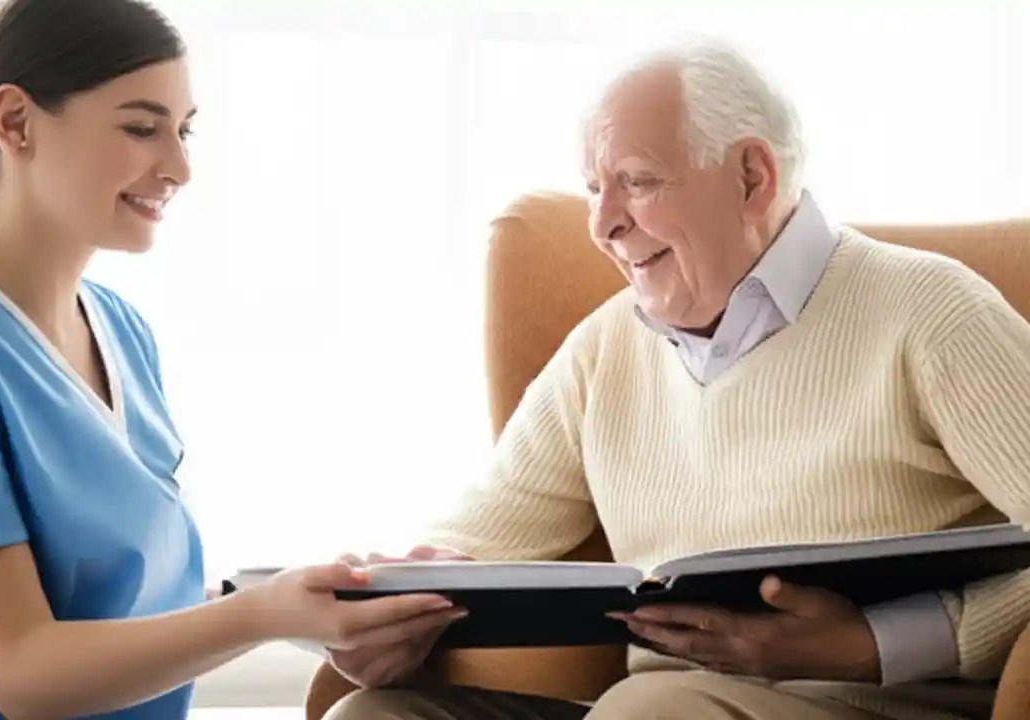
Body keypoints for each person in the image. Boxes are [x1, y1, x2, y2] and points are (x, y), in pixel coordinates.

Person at [323, 40, 1030, 720]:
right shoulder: (604, 350)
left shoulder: (933, 314)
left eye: (636, 181)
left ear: (752, 177)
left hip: (877, 705)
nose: (602, 225)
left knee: (654, 707)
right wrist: (384, 609)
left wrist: (875, 644)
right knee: (373, 714)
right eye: (595, 189)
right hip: (656, 709)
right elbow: (475, 544)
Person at [0, 1, 466, 718]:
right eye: (142, 128)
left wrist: (332, 600)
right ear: (16, 122)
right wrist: (265, 616)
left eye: (183, 131)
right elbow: (18, 669)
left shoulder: (120, 332)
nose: (179, 166)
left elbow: (127, 605)